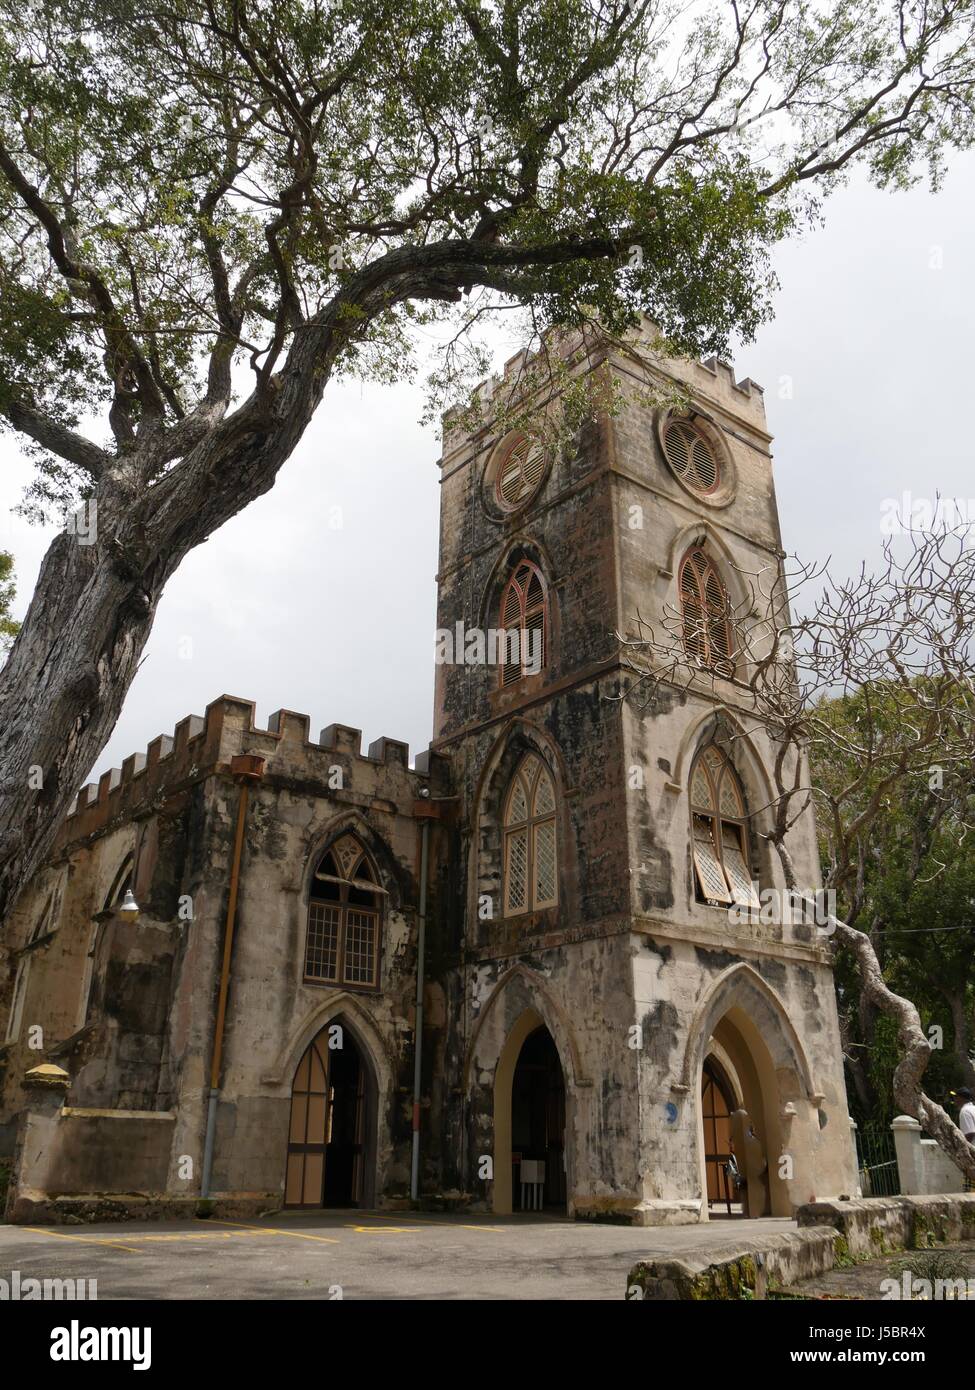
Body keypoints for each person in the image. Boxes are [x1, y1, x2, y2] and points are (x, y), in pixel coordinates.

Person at [951, 1088, 975, 1192]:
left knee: (970, 1191)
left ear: (961, 1098)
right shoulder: (973, 1109)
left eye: (956, 1097)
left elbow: (969, 1134)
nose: (954, 1099)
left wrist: (962, 1152)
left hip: (973, 1156)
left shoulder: (964, 1111)